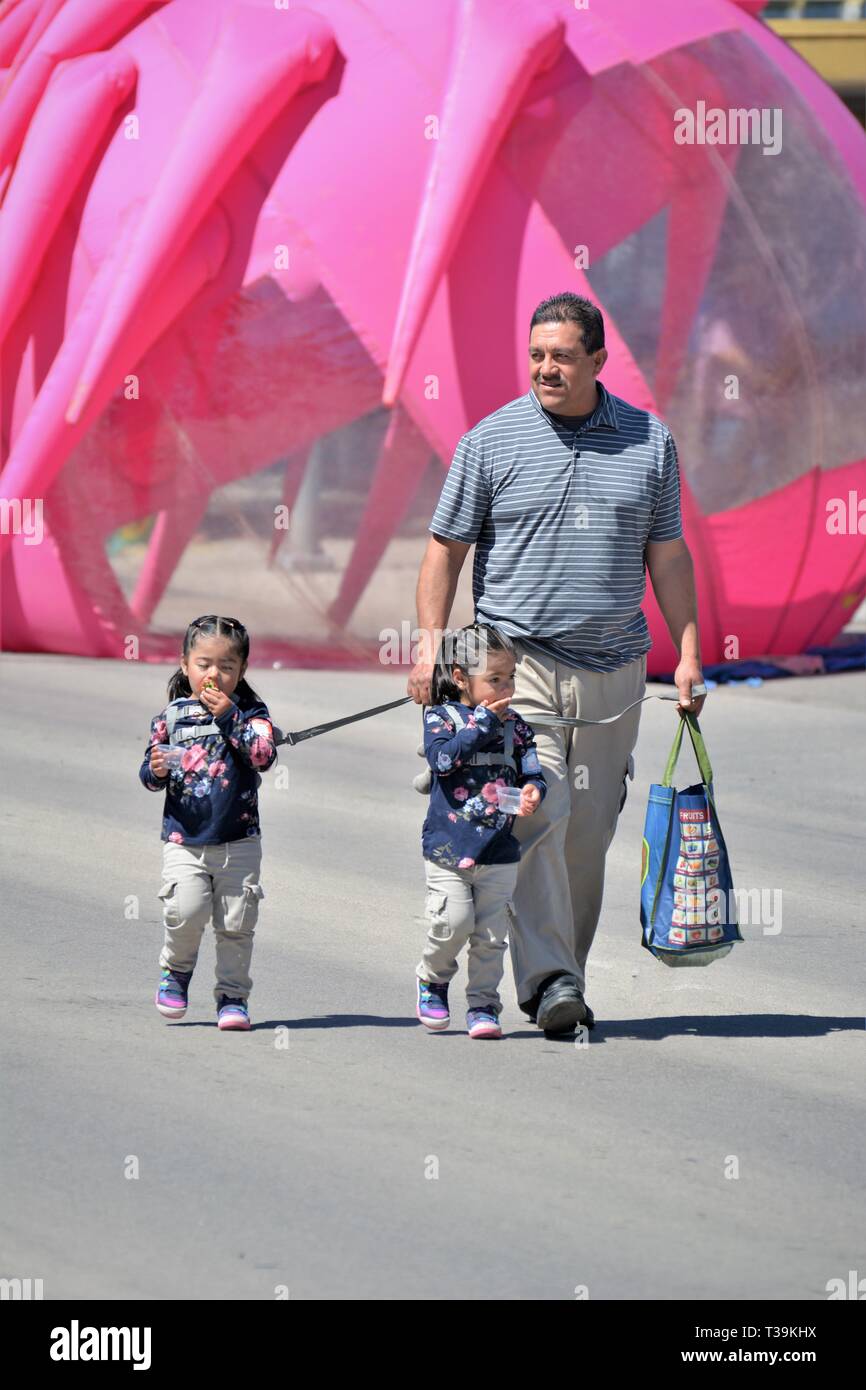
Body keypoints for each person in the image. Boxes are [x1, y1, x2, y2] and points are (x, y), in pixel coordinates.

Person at [407, 291, 707, 1036]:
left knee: (590, 829)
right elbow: (445, 548)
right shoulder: (491, 442)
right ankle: (552, 981)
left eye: (562, 356)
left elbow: (667, 556)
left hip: (615, 670)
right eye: (537, 354)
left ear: (599, 361)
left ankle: (557, 975)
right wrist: (429, 646)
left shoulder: (650, 444)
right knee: (543, 811)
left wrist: (692, 655)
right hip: (516, 668)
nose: (546, 368)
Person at [139, 615, 277, 1031]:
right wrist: (157, 770)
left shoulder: (251, 712)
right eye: (204, 664)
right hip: (185, 838)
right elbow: (148, 774)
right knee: (186, 910)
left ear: (242, 671)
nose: (214, 674)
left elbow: (263, 757)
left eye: (226, 666)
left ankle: (233, 998)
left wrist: (231, 717)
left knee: (236, 924)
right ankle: (176, 973)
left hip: (239, 839)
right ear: (185, 664)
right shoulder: (171, 716)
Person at [415, 623, 546, 1039]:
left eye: (510, 677)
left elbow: (533, 771)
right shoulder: (442, 717)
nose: (505, 687)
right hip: (449, 850)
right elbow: (443, 761)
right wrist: (481, 723)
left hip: (499, 850)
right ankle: (432, 979)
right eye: (494, 679)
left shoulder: (517, 726)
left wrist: (532, 791)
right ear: (459, 677)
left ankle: (483, 1004)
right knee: (452, 923)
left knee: (491, 937)